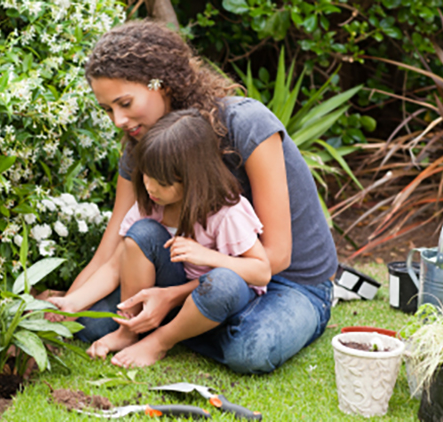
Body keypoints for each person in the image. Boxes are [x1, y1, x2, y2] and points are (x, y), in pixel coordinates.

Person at [64, 20, 337, 373]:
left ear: (160, 83)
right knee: (93, 324)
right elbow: (114, 245)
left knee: (252, 349)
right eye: (108, 109)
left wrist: (171, 296)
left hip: (286, 281)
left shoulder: (246, 124)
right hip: (198, 269)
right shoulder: (140, 145)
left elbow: (276, 257)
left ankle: (173, 329)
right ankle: (191, 321)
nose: (118, 120)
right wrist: (63, 310)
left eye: (125, 102)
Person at [48, 111, 271, 361]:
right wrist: (73, 302)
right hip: (164, 292)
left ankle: (162, 341)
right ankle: (127, 330)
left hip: (211, 300)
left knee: (222, 285)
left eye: (162, 183)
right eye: (147, 176)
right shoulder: (150, 204)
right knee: (90, 328)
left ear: (194, 179)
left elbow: (262, 271)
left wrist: (207, 256)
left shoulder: (226, 212)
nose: (151, 188)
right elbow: (114, 267)